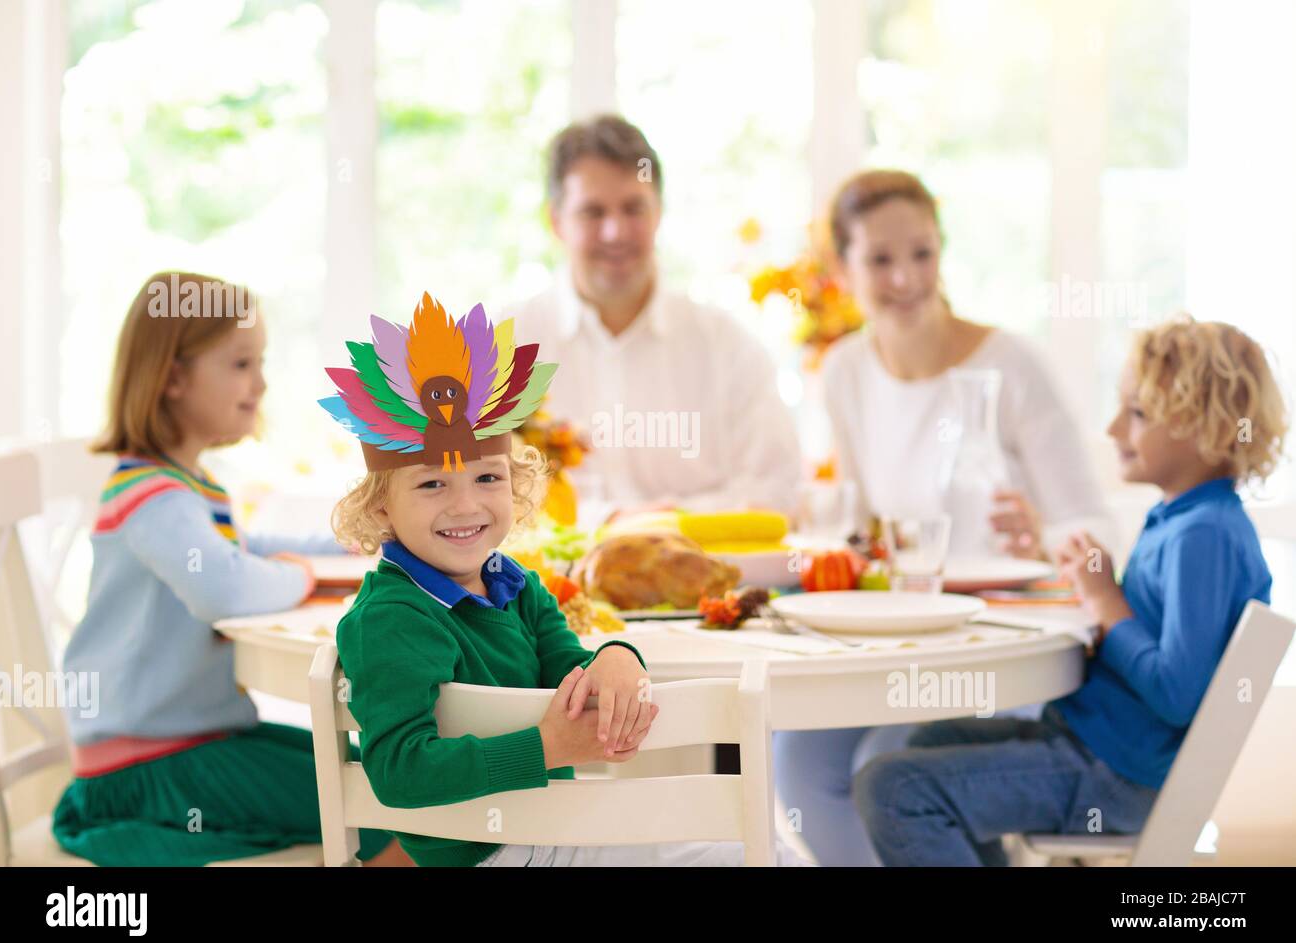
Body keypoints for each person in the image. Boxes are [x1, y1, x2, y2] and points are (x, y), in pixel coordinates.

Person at [323, 293, 809, 866]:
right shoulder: (391, 616)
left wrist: (618, 657)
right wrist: (546, 747)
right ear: (380, 509)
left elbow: (570, 671)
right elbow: (400, 772)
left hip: (555, 825)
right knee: (757, 855)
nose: (465, 506)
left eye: (487, 478)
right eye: (432, 485)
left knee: (768, 848)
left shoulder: (517, 586)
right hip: (498, 850)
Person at [774, 169, 1118, 866]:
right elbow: (866, 532)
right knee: (798, 764)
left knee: (885, 759)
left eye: (921, 254)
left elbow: (1099, 530)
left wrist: (1045, 536)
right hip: (902, 646)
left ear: (941, 252)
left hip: (1006, 650)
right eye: (880, 259)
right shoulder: (843, 372)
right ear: (843, 268)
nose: (905, 277)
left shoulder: (1011, 365)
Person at [853, 315, 1285, 865]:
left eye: (1137, 413)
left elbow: (1177, 694)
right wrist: (1085, 583)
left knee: (892, 789)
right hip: (1097, 749)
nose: (1112, 430)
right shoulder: (1186, 521)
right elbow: (1144, 627)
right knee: (924, 743)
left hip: (1112, 775)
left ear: (1209, 429)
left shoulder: (1202, 537)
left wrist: (1106, 601)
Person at [52, 272, 404, 866]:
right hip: (152, 767)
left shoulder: (184, 487)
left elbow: (249, 547)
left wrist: (364, 539)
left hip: (190, 746)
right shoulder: (152, 496)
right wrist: (306, 574)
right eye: (242, 363)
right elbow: (227, 585)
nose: (261, 383)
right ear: (171, 377)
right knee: (385, 802)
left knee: (376, 774)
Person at [505, 115, 801, 516]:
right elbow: (473, 497)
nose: (616, 232)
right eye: (593, 213)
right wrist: (610, 520)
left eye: (633, 209)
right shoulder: (504, 347)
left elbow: (778, 490)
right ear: (556, 221)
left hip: (702, 573)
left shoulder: (728, 346)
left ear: (658, 212)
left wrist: (669, 523)